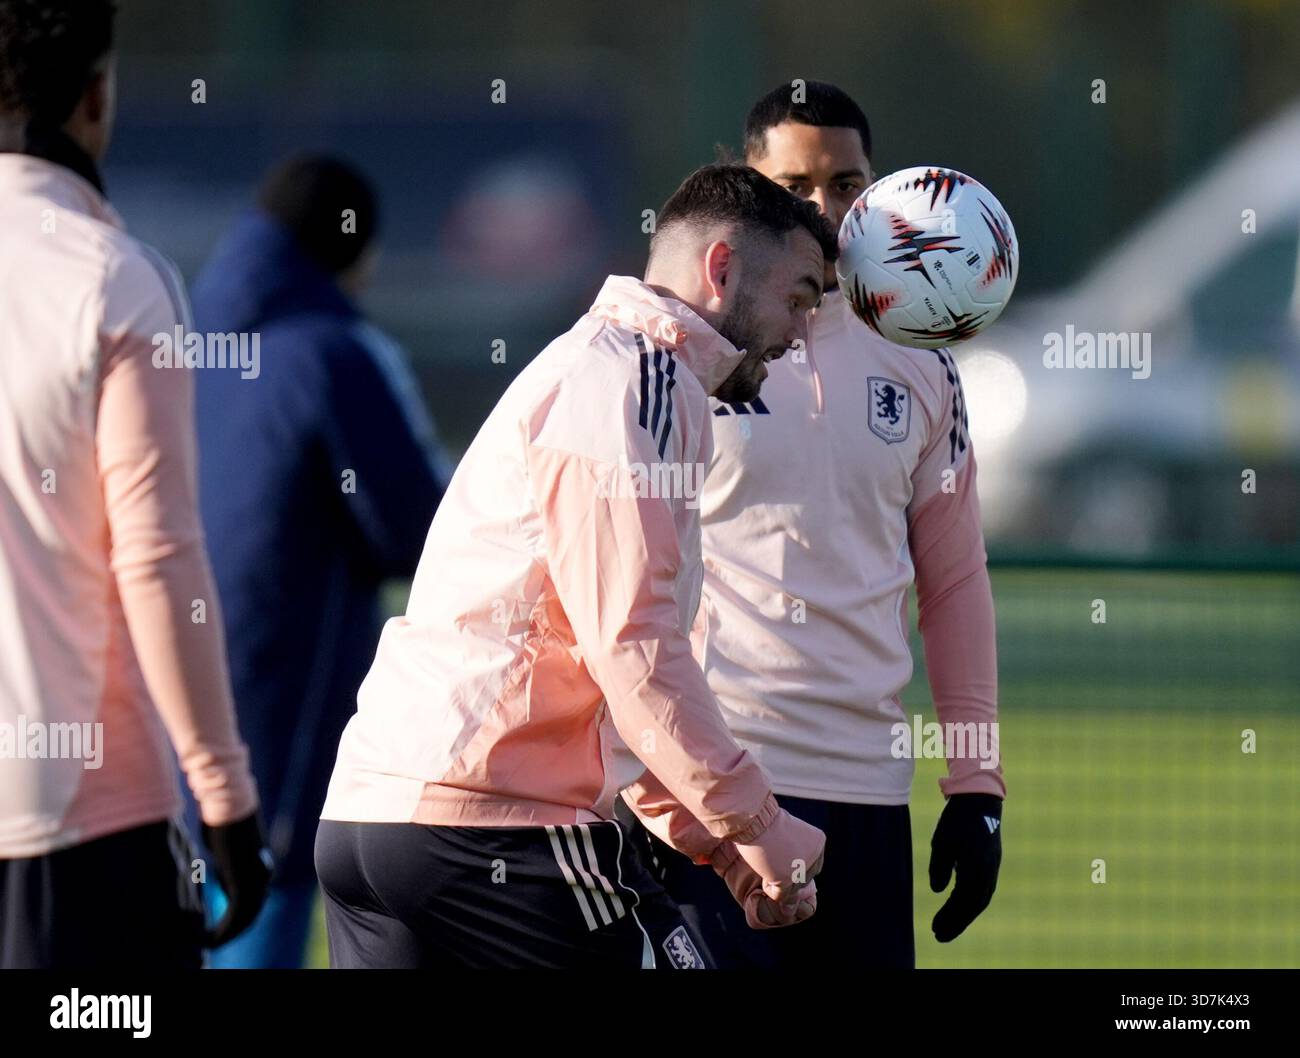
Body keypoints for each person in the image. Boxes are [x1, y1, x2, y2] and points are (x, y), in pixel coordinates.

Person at [315, 163, 836, 968]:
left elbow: (608, 675)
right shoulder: (644, 379)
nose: (800, 335)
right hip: (493, 828)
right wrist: (757, 823)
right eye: (799, 298)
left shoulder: (592, 366)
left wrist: (721, 843)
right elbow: (634, 647)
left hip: (370, 820)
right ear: (722, 267)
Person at [620, 80, 1006, 968]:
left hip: (869, 791)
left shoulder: (924, 365)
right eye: (796, 187)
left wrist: (977, 783)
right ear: (743, 185)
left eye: (845, 185)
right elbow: (623, 588)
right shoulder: (685, 353)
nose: (825, 211)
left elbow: (953, 585)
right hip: (714, 789)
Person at [0, 0, 269, 968]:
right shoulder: (113, 277)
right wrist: (226, 795)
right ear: (97, 93)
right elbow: (156, 556)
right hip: (81, 822)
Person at [185, 155, 453, 968]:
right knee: (260, 920)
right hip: (281, 712)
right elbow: (421, 533)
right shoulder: (334, 353)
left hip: (169, 706)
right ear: (356, 250)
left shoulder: (185, 346)